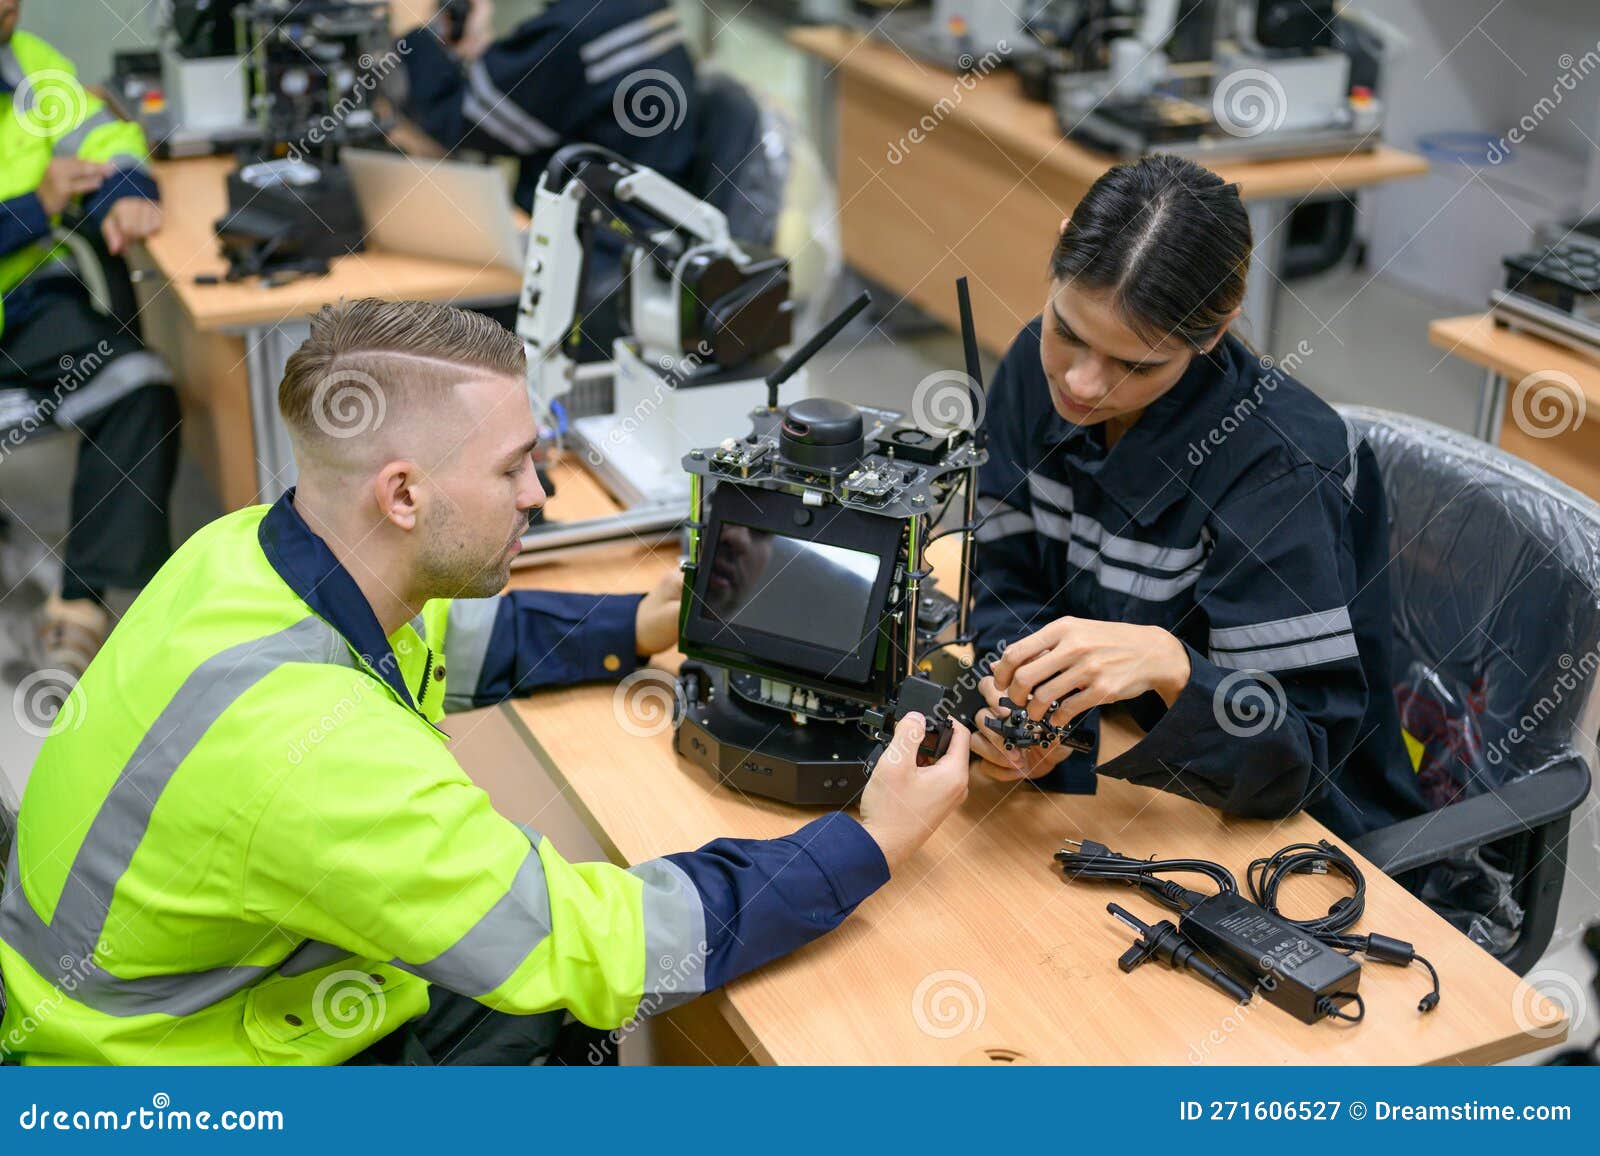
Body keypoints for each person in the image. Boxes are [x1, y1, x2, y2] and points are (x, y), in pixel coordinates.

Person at [0, 298, 971, 1065]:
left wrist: (651, 621)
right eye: (514, 468)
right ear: (405, 493)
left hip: (134, 1012)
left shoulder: (245, 552)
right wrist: (868, 839)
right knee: (573, 1008)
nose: (540, 496)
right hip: (175, 1086)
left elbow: (448, 643)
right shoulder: (317, 753)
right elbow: (602, 945)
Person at [967, 154, 1425, 839]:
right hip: (1125, 774)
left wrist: (1175, 669)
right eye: (1070, 330)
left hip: (1288, 829)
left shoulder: (1277, 466)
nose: (1083, 384)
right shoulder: (1037, 371)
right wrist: (1024, 704)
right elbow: (1008, 578)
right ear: (1058, 253)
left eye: (1135, 364)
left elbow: (1298, 756)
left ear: (1214, 331)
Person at [0, 0, 179, 686]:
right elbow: (39, 199)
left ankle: (79, 607)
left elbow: (103, 137)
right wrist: (32, 208)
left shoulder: (28, 65)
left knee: (139, 383)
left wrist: (128, 189)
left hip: (21, 301)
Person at [399, 0, 698, 213]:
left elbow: (460, 121)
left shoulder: (573, 31)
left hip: (594, 242)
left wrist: (410, 28)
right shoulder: (630, 10)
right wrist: (482, 58)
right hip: (638, 221)